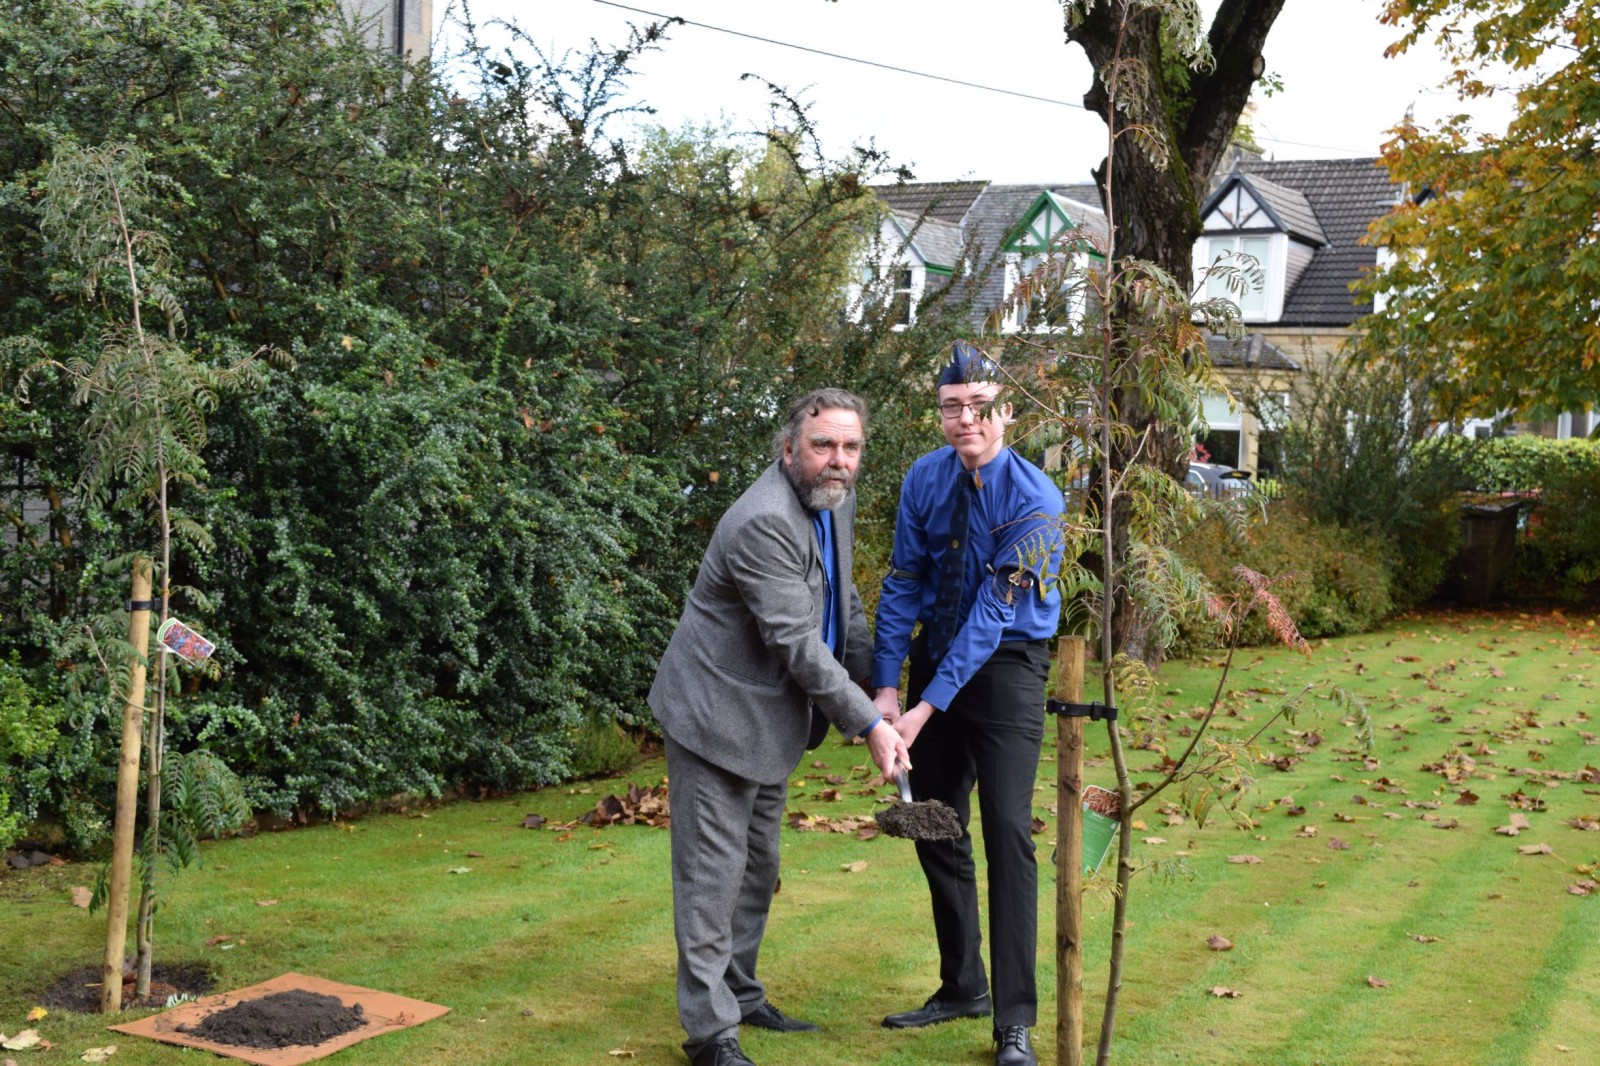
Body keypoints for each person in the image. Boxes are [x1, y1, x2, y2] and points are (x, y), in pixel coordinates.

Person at [649, 388, 911, 1066]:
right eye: (823, 445)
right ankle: (711, 1034)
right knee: (713, 876)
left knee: (758, 869)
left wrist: (879, 690)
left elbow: (844, 601)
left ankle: (740, 991)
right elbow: (796, 641)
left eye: (851, 448)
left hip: (768, 722)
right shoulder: (763, 521)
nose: (838, 460)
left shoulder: (834, 501)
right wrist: (867, 726)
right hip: (715, 716)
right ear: (789, 448)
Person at [871, 342, 1064, 1066]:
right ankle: (963, 986)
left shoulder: (1039, 498)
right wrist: (888, 688)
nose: (965, 419)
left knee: (1008, 830)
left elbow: (993, 612)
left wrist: (923, 712)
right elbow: (902, 582)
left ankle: (1013, 1022)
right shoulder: (924, 479)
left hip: (1009, 669)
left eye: (979, 406)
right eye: (952, 407)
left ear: (1005, 411)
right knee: (933, 820)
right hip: (935, 662)